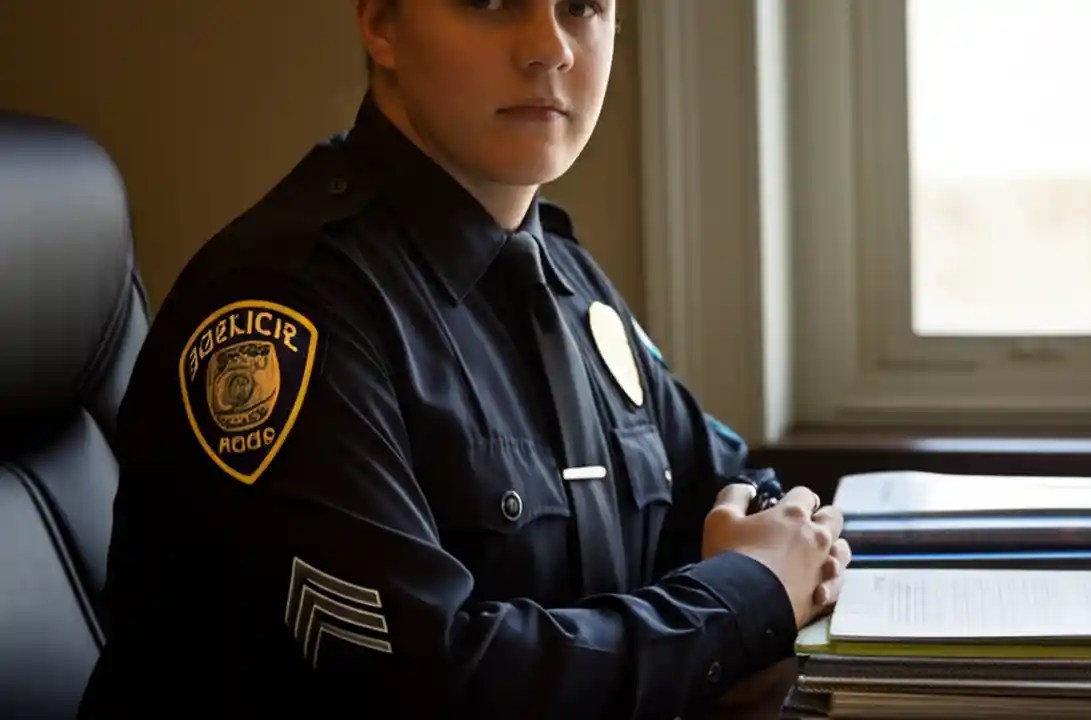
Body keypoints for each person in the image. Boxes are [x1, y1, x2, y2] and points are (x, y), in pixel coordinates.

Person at [79, 0, 851, 717]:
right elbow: (438, 683)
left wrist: (759, 571)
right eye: (490, 1)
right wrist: (740, 601)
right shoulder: (287, 312)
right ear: (381, 23)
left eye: (584, 6)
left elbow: (735, 488)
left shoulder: (563, 273)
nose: (551, 46)